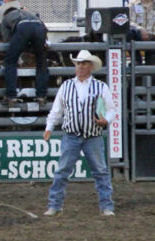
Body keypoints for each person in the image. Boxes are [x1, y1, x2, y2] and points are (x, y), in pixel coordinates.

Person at [43, 50, 116, 217]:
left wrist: (106, 120)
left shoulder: (101, 87)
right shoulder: (66, 86)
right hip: (72, 134)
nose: (81, 66)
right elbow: (57, 111)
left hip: (93, 135)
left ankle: (106, 206)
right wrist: (49, 127)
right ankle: (54, 205)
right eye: (78, 63)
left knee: (100, 172)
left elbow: (111, 110)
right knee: (63, 171)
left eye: (84, 63)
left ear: (90, 66)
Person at [0, 7, 48, 107]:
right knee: (41, 62)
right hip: (39, 27)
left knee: (10, 61)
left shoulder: (5, 18)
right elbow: (44, 30)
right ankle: (41, 96)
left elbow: (7, 40)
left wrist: (21, 45)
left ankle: (11, 96)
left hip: (23, 28)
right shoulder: (30, 13)